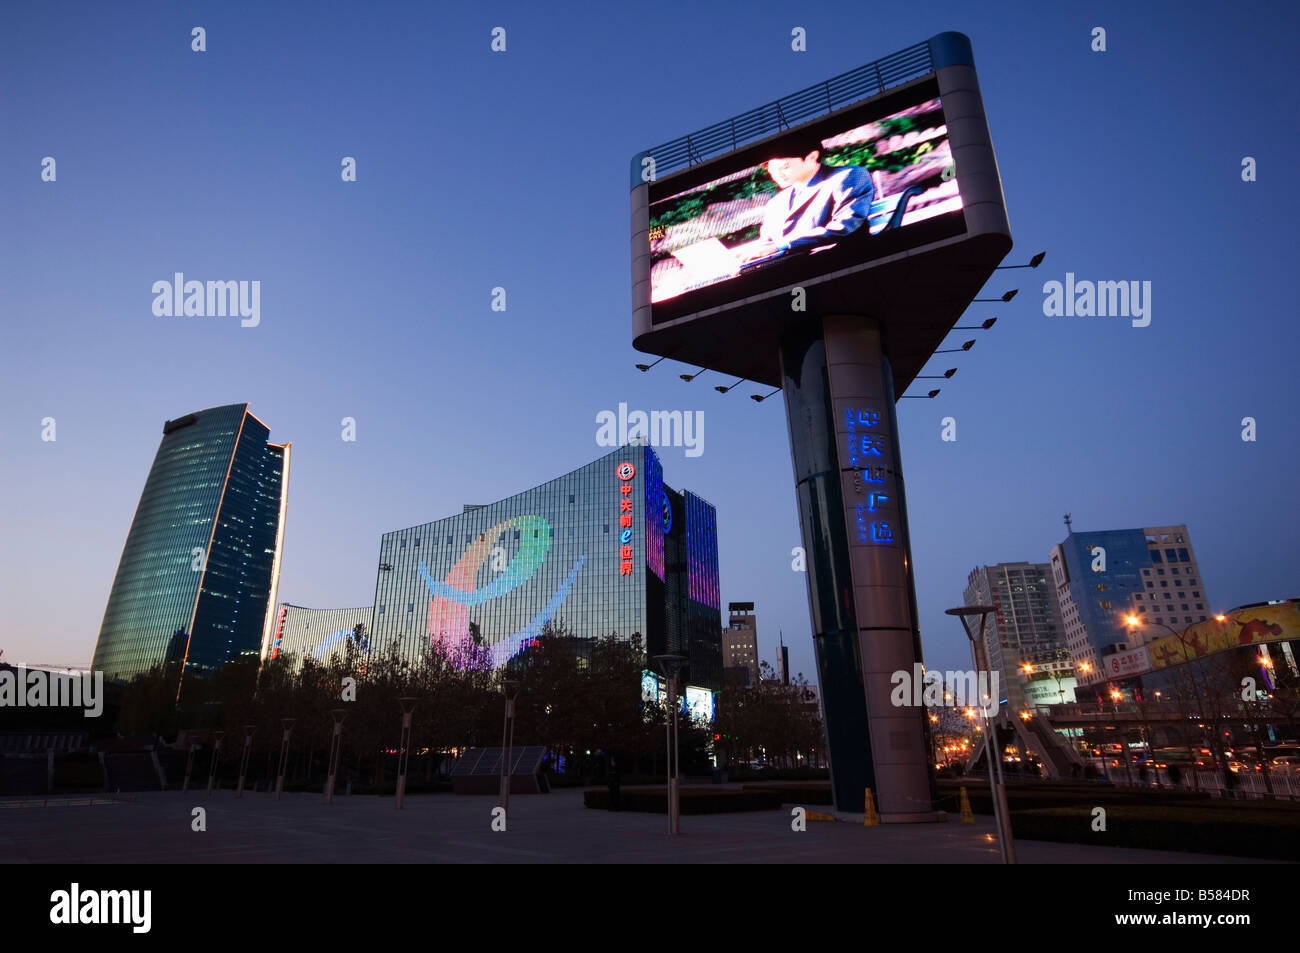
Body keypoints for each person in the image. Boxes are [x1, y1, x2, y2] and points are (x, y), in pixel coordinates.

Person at [738, 131, 876, 267]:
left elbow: (844, 226)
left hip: (840, 264)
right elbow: (766, 244)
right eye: (772, 171)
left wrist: (782, 245)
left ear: (812, 157)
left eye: (785, 167)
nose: (777, 175)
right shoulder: (775, 203)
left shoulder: (848, 176)